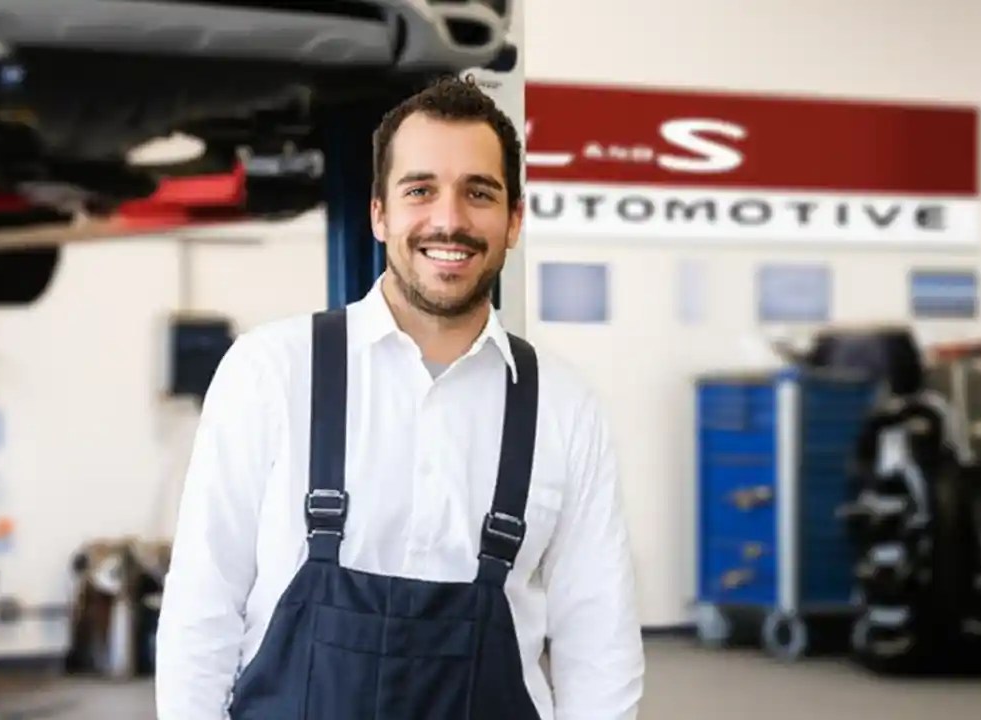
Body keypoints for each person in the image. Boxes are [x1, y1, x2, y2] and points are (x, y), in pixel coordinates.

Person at [156, 76, 645, 720]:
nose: (449, 220)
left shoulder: (563, 406)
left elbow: (598, 639)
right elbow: (202, 604)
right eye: (420, 190)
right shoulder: (271, 371)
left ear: (514, 219)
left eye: (479, 193)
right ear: (379, 214)